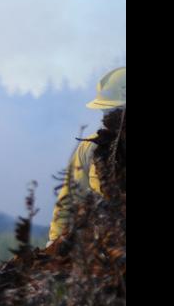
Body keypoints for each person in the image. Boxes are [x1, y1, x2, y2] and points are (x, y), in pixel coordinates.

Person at [48, 66, 126, 244]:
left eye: (115, 110)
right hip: (106, 250)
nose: (107, 117)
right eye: (105, 111)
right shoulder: (91, 147)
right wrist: (54, 244)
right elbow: (69, 201)